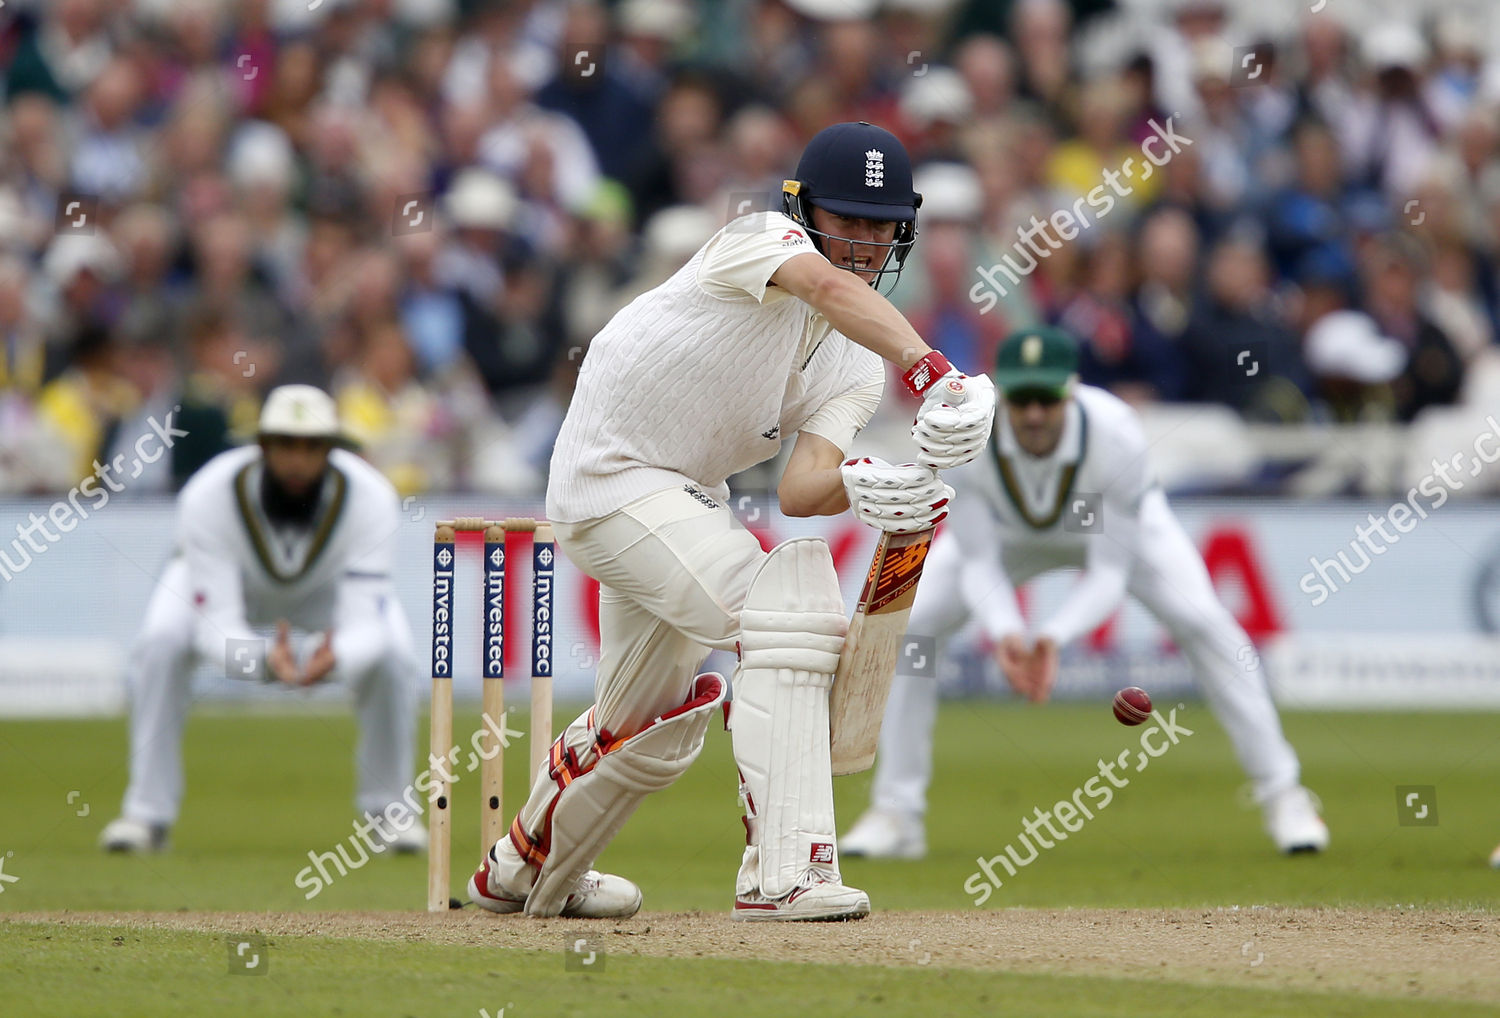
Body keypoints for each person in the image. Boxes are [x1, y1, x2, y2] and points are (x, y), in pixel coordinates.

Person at [465, 121, 997, 922]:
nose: (861, 244)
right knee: (786, 606)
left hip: (684, 496)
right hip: (608, 476)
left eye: (879, 227)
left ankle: (520, 866)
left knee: (643, 719)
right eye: (845, 221)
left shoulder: (853, 360)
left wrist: (865, 482)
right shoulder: (758, 240)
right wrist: (937, 371)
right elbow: (828, 289)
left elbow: (802, 486)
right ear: (803, 210)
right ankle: (784, 870)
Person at [841, 326, 1330, 860]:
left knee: (1209, 626)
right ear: (1001, 393)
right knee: (914, 630)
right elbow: (979, 560)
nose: (1032, 414)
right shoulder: (967, 437)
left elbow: (1107, 575)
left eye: (1046, 399)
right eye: (1021, 398)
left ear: (1071, 391)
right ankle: (896, 813)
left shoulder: (1115, 433)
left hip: (1117, 534)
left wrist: (1051, 636)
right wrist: (1007, 632)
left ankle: (1285, 795)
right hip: (1009, 537)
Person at [99, 385, 423, 854]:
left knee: (393, 656)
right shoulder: (208, 494)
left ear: (331, 451)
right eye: (284, 445)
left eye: (311, 447)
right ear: (262, 446)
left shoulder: (372, 497)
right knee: (161, 641)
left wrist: (334, 658)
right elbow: (216, 628)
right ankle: (147, 815)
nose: (297, 461)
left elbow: (366, 625)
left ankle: (390, 814)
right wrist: (264, 661)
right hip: (233, 588)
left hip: (326, 595)